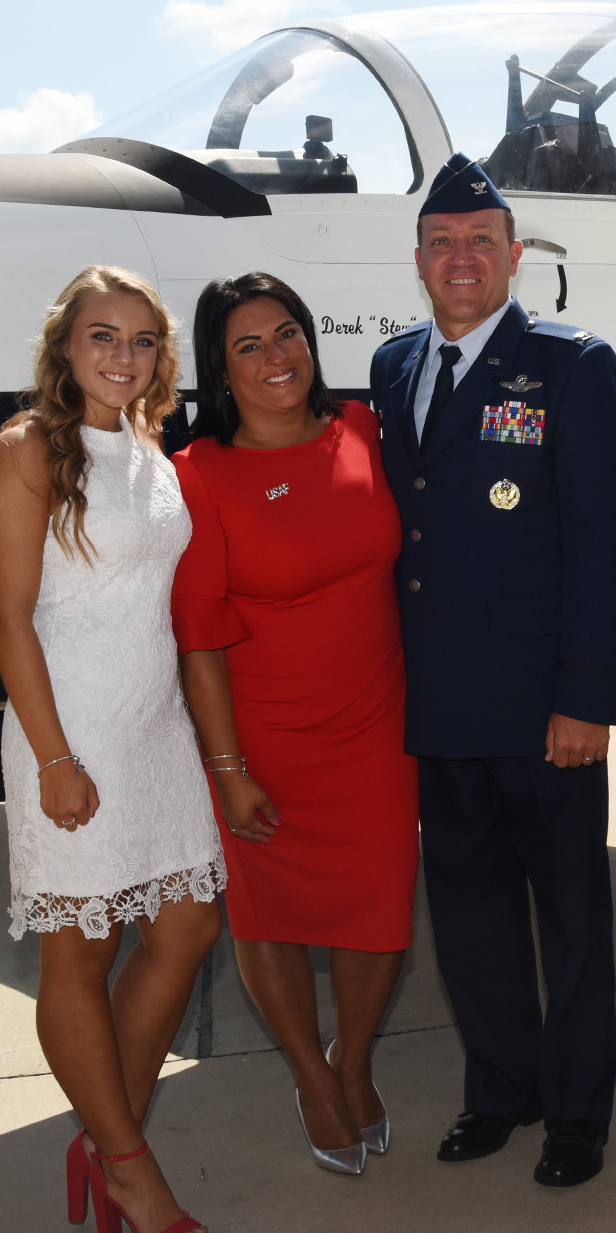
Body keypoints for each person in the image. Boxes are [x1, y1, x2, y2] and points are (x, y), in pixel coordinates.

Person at [370, 153, 616, 1189]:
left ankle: (575, 1113)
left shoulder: (570, 365)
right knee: (472, 916)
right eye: (442, 243)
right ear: (419, 260)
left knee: (571, 916)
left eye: (481, 240)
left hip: (542, 710)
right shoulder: (396, 368)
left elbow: (603, 546)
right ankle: (499, 1089)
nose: (461, 258)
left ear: (515, 257)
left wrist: (586, 697)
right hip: (438, 703)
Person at [0, 264, 224, 1233]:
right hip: (68, 729)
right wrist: (52, 757)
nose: (123, 357)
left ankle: (104, 1132)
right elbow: (8, 615)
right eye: (102, 337)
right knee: (77, 952)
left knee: (186, 927)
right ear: (64, 346)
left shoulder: (146, 450)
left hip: (155, 730)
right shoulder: (28, 451)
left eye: (141, 341)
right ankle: (128, 1163)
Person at [170, 272, 418, 1177]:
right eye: (248, 345)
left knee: (380, 910)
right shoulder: (198, 475)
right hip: (263, 738)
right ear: (219, 368)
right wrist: (227, 766)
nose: (276, 358)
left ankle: (354, 1064)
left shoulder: (361, 429)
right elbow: (196, 638)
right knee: (269, 916)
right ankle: (312, 1077)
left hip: (378, 725)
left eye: (287, 335)